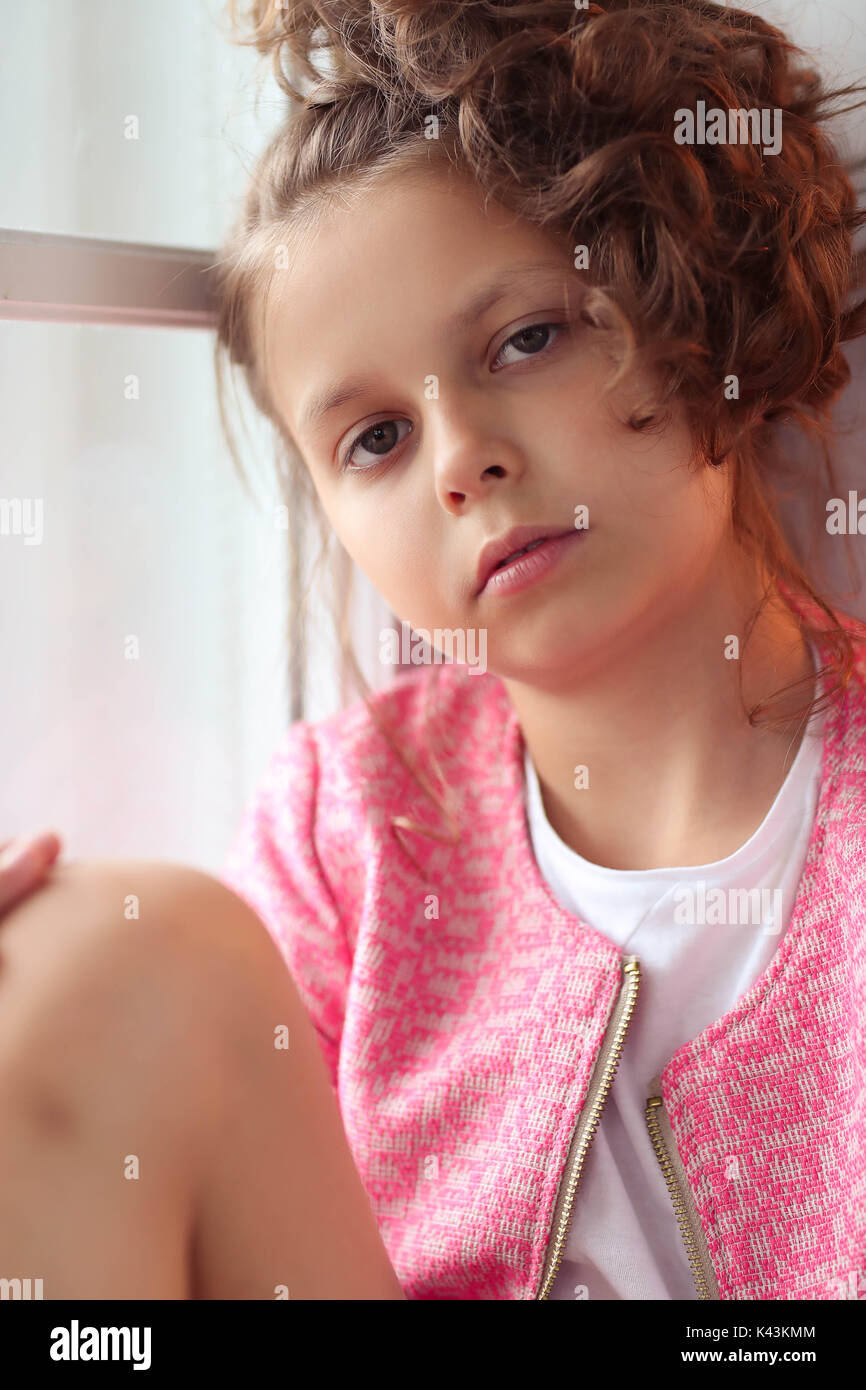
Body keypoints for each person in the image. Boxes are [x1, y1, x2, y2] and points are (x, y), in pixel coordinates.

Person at [2, 0, 865, 1300]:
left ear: (692, 312)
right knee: (82, 955)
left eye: (527, 339)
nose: (462, 460)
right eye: (374, 439)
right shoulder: (351, 822)